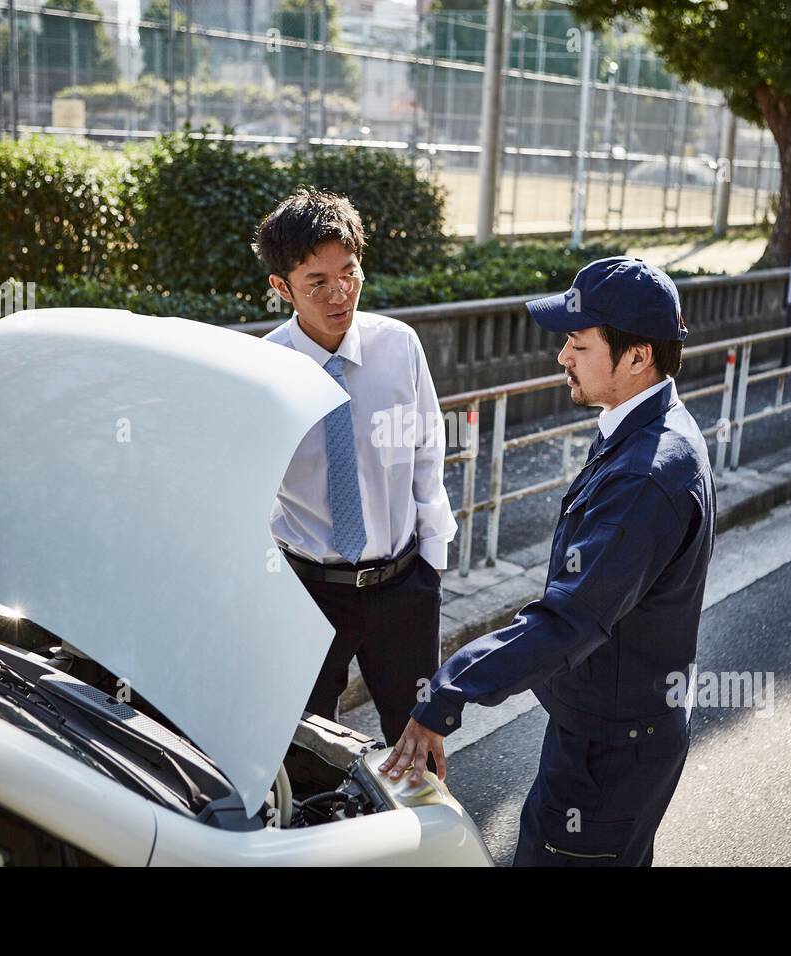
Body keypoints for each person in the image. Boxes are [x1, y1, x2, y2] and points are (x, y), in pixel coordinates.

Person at [378, 256, 717, 866]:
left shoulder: (646, 473)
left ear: (638, 356)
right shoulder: (644, 430)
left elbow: (569, 619)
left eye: (578, 343)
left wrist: (447, 692)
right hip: (615, 733)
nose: (562, 356)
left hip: (610, 753)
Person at [252, 188, 458, 748]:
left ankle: (424, 837)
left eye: (349, 271)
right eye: (316, 282)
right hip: (307, 590)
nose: (339, 292)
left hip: (403, 586)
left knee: (420, 743)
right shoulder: (265, 370)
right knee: (299, 748)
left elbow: (427, 451)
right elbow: (246, 488)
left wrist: (432, 564)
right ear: (281, 288)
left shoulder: (400, 346)